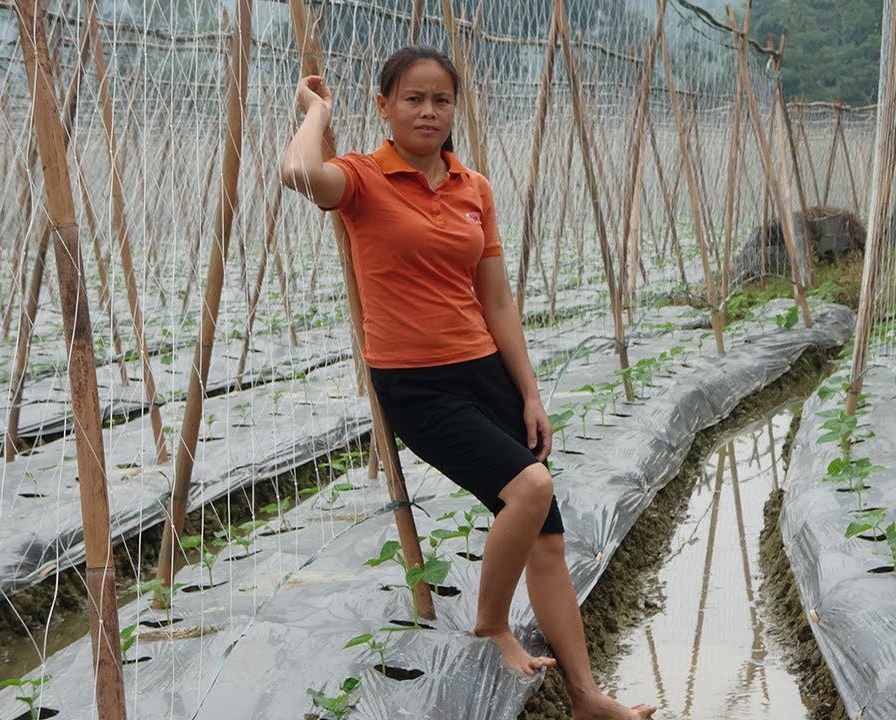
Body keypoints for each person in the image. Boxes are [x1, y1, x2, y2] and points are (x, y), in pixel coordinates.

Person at [280, 45, 655, 720]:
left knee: (547, 536)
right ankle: (490, 621)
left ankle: (587, 695)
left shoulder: (472, 188)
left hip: (485, 371)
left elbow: (498, 301)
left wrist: (530, 394)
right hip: (416, 385)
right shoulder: (361, 178)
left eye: (441, 100)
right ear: (385, 106)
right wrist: (316, 111)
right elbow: (299, 173)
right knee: (531, 489)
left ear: (456, 108)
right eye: (413, 99)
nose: (428, 111)